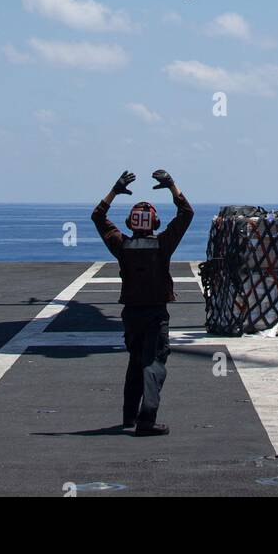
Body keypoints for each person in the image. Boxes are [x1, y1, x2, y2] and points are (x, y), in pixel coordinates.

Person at [91, 168, 193, 436]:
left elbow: (97, 217)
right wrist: (172, 185)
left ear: (129, 223)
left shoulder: (122, 246)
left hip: (131, 315)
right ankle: (146, 420)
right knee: (153, 364)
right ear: (156, 224)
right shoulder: (162, 246)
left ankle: (128, 416)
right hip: (156, 315)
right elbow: (187, 214)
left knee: (135, 362)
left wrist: (114, 190)